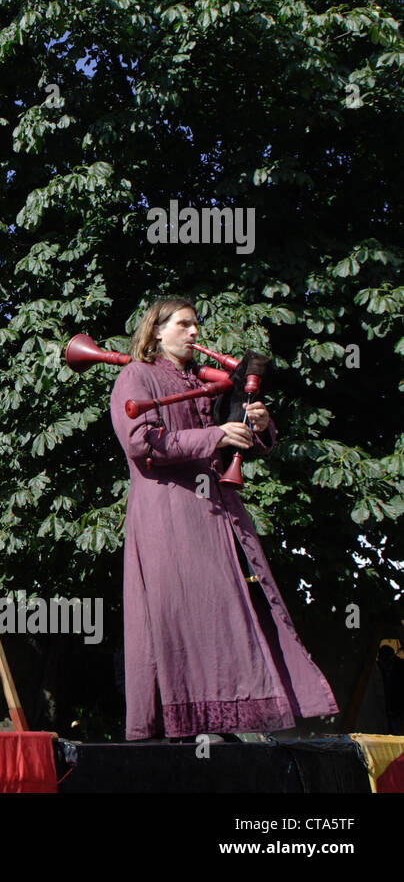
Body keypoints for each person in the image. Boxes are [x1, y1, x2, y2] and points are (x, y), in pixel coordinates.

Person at [110, 297, 339, 740]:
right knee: (181, 617)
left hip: (215, 515)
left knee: (227, 612)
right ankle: (186, 727)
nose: (195, 333)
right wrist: (214, 436)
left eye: (197, 325)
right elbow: (140, 444)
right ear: (157, 331)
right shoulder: (136, 375)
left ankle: (223, 722)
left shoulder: (203, 381)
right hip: (168, 516)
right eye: (184, 324)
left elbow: (236, 445)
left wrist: (256, 424)